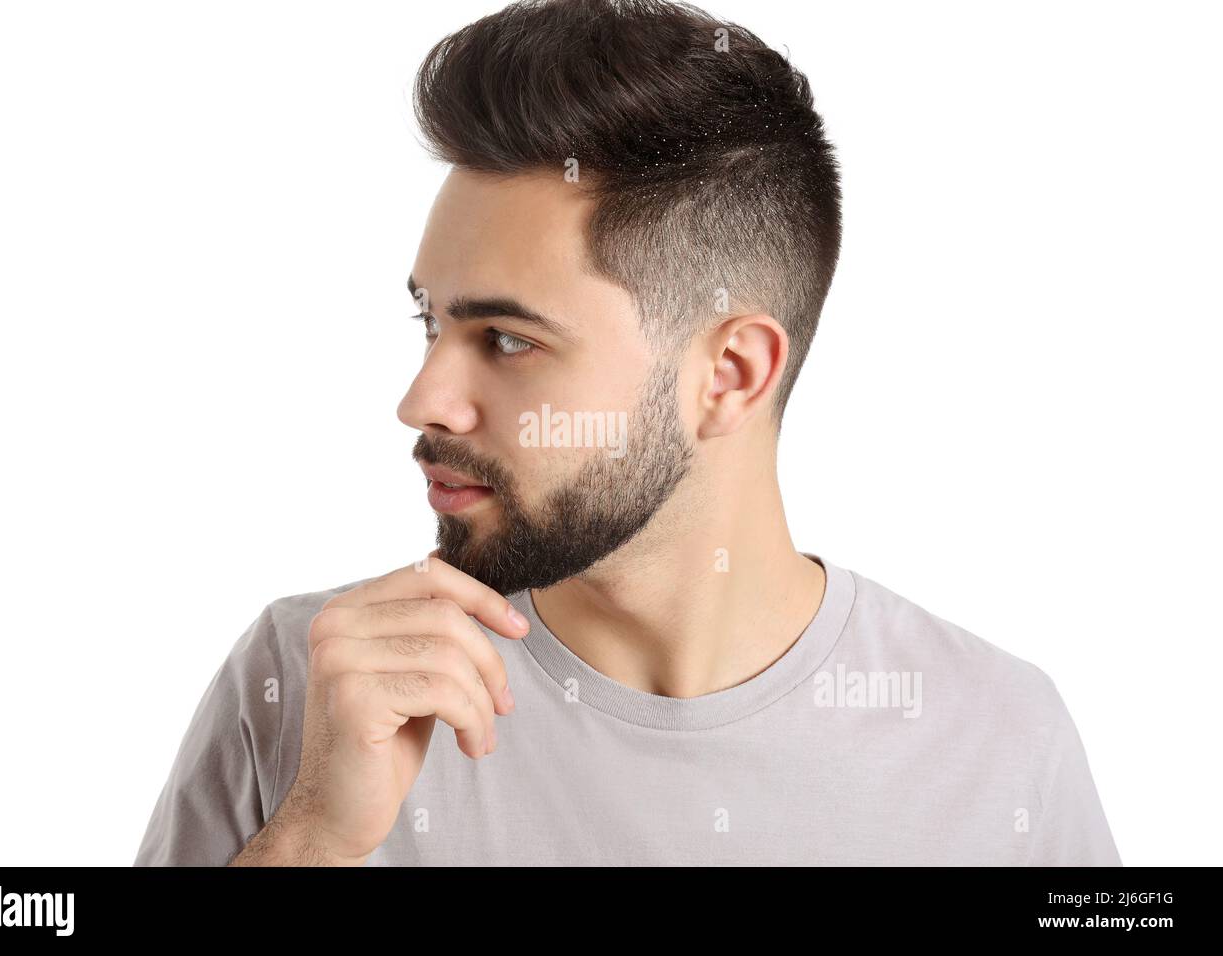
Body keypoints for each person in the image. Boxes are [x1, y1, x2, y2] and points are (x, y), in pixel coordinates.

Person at [134, 0, 1119, 866]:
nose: (424, 397)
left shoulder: (995, 742)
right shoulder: (311, 679)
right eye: (431, 324)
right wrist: (309, 843)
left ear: (727, 375)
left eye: (508, 338)